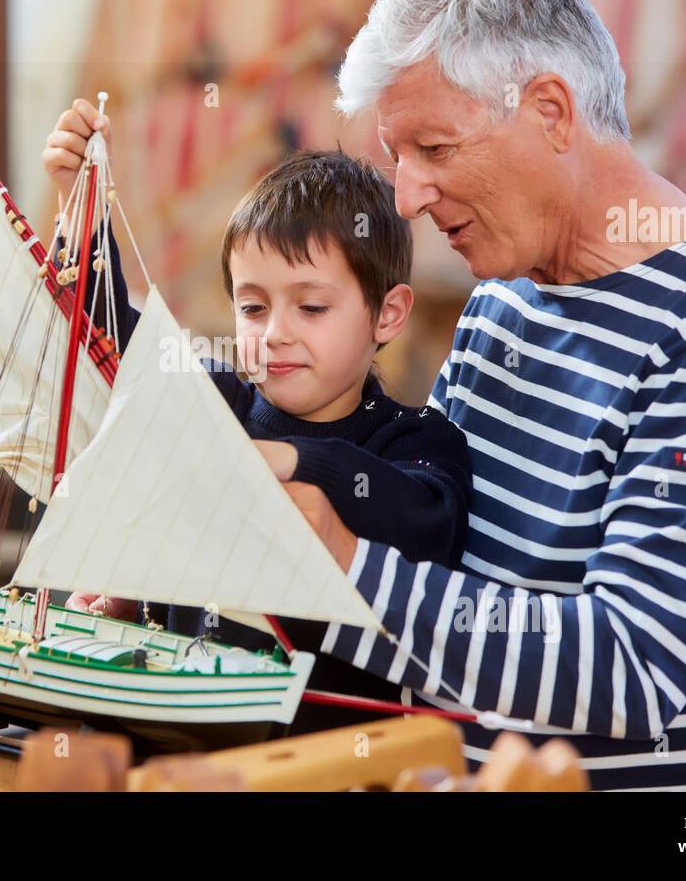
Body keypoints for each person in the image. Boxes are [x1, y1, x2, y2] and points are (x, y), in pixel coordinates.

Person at [286, 0, 686, 789]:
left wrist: (345, 566)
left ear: (549, 111)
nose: (407, 197)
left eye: (434, 149)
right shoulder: (507, 297)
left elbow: (629, 667)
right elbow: (437, 542)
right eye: (398, 158)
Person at [41, 116, 473, 732]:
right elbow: (113, 338)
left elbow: (423, 519)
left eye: (312, 306)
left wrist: (293, 461)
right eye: (253, 307)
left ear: (388, 313)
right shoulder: (214, 402)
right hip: (169, 742)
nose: (275, 333)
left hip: (313, 763)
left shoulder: (416, 439)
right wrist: (81, 211)